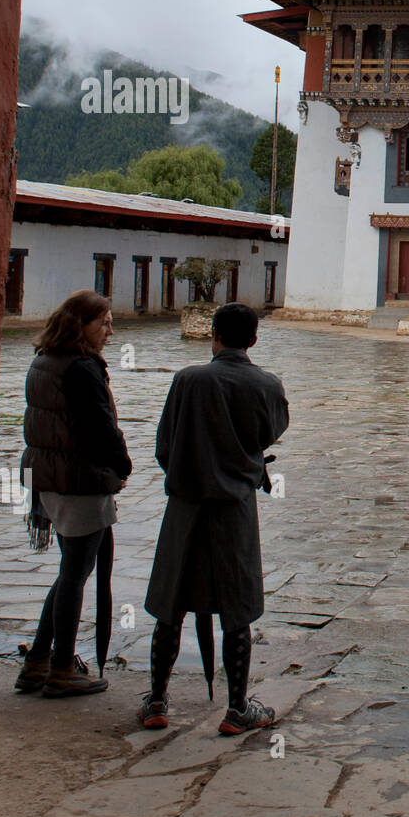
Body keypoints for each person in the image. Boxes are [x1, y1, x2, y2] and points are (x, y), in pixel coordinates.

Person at [140, 302, 289, 733]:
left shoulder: (186, 381)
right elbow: (267, 434)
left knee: (170, 606)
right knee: (236, 609)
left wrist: (193, 471)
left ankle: (156, 700)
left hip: (184, 507)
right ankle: (237, 707)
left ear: (214, 335)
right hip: (234, 509)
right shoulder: (266, 385)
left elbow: (164, 446)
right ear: (254, 340)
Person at [18, 290, 131, 698]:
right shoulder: (82, 368)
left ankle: (37, 661)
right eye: (103, 323)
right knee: (75, 573)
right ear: (80, 324)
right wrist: (122, 466)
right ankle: (62, 667)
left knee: (70, 571)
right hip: (78, 480)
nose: (109, 331)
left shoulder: (43, 359)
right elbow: (99, 427)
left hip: (47, 479)